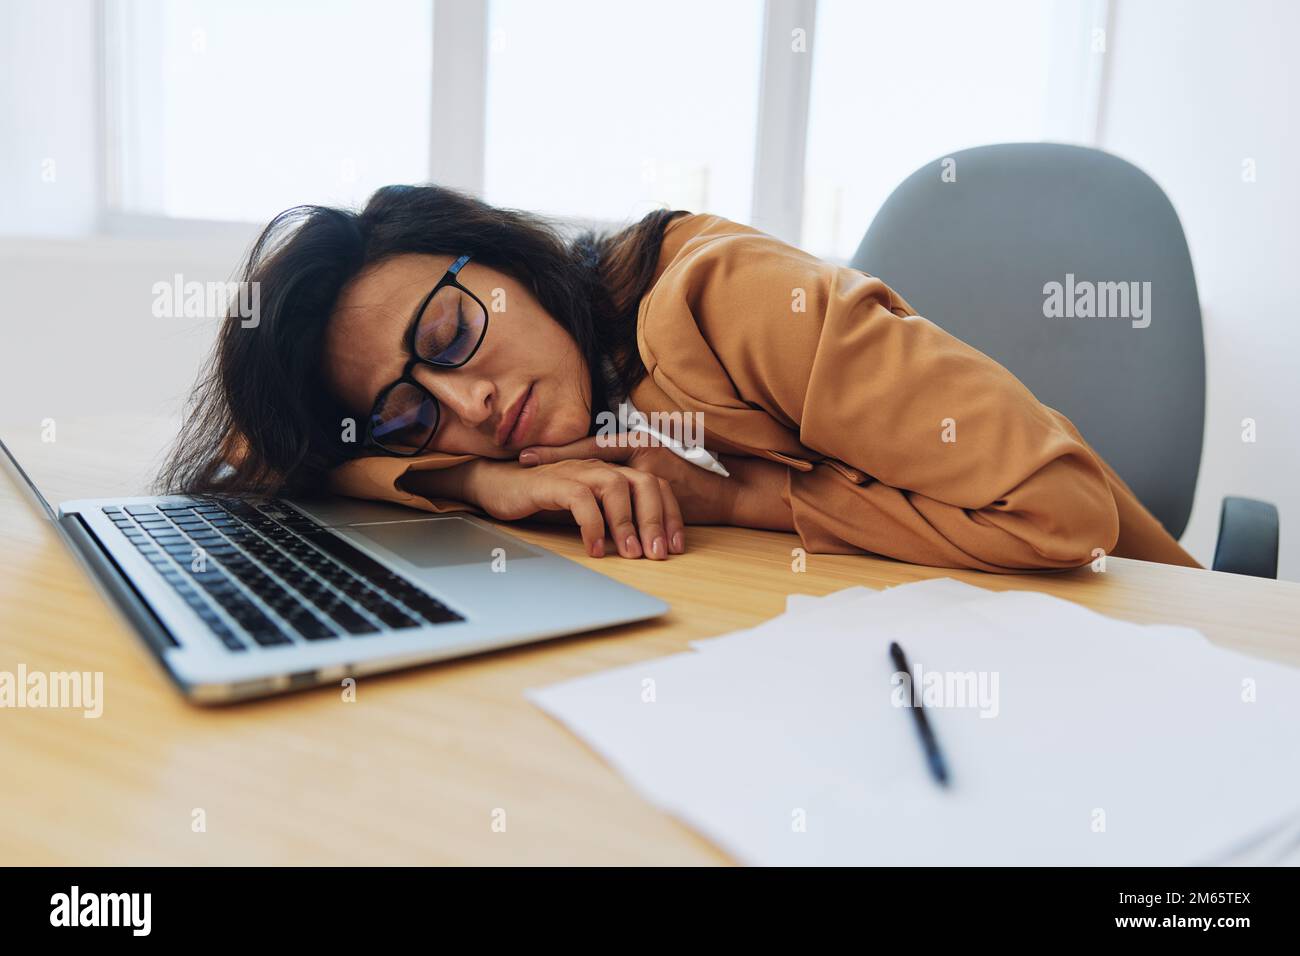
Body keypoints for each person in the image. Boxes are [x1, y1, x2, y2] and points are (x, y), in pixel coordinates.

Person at [157, 184, 1200, 572]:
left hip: (1150, 641)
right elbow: (264, 461)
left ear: (508, 263)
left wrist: (736, 495)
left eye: (451, 334)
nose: (467, 405)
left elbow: (1066, 516)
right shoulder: (509, 432)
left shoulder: (727, 298)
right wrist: (477, 482)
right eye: (406, 412)